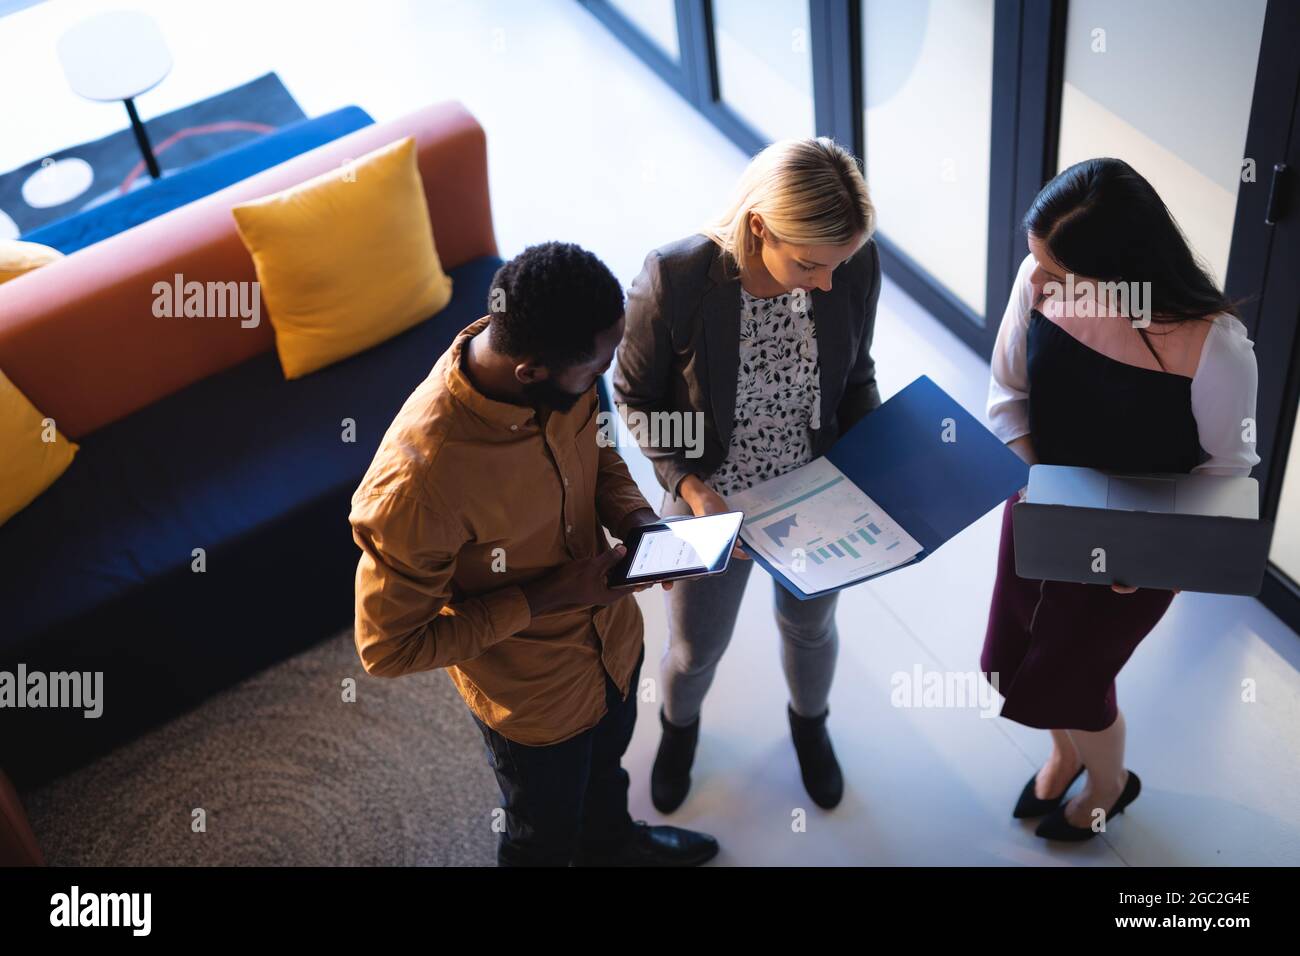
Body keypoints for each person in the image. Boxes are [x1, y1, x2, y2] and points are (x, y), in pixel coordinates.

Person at [350, 241, 719, 866]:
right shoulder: (419, 485)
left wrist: (635, 520)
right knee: (540, 840)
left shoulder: (564, 373)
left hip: (614, 649)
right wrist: (549, 597)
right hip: (534, 705)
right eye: (594, 370)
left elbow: (599, 453)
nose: (603, 381)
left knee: (607, 781)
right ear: (530, 372)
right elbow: (387, 649)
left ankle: (613, 847)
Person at [983, 158, 1259, 841]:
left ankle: (1108, 783)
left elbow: (1228, 472)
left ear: (1118, 271)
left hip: (1133, 559)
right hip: (1041, 512)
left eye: (1059, 272)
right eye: (1036, 260)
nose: (1038, 280)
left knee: (1078, 682)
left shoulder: (1213, 347)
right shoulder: (1039, 283)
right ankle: (1062, 753)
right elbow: (1007, 400)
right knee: (1006, 661)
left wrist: (1148, 555)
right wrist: (1039, 489)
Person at [613, 137, 882, 812]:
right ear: (759, 227)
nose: (827, 282)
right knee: (697, 647)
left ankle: (809, 725)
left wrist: (880, 455)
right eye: (810, 264)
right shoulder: (675, 279)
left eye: (836, 265)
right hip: (711, 500)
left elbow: (856, 375)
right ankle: (680, 730)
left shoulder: (850, 261)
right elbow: (634, 397)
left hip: (816, 491)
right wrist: (686, 483)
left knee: (810, 628)